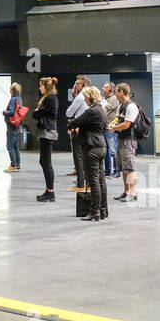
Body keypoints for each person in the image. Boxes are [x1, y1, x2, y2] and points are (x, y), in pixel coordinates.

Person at [67, 85, 108, 221]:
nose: (84, 100)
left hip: (91, 148)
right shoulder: (101, 110)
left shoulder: (91, 111)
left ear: (90, 98)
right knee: (101, 180)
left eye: (85, 98)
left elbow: (73, 122)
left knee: (93, 180)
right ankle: (103, 210)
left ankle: (94, 212)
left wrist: (76, 127)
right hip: (101, 146)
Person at [112, 82, 141, 203]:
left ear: (122, 92)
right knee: (124, 168)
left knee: (130, 167)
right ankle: (126, 191)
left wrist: (114, 128)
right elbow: (118, 119)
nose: (115, 94)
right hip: (121, 139)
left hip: (129, 140)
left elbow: (127, 124)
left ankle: (133, 193)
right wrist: (113, 123)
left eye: (116, 91)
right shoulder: (121, 106)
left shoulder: (131, 106)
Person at [33, 77, 59, 202]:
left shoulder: (50, 99)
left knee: (46, 162)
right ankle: (49, 191)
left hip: (47, 132)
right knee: (44, 161)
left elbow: (37, 114)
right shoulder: (51, 98)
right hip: (47, 132)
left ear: (46, 87)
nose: (39, 88)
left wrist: (37, 112)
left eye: (41, 86)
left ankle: (50, 191)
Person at [65, 75, 91, 190]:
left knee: (78, 158)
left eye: (78, 83)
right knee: (86, 158)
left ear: (84, 84)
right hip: (87, 130)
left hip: (79, 130)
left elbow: (69, 113)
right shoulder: (88, 96)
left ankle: (80, 184)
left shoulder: (80, 97)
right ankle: (88, 183)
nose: (75, 85)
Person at [2, 82, 25, 172]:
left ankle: (13, 164)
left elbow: (11, 112)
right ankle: (18, 164)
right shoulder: (20, 99)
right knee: (16, 145)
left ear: (12, 91)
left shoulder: (13, 100)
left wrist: (4, 112)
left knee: (9, 146)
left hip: (11, 125)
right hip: (17, 124)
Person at [101, 82, 121, 178]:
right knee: (106, 151)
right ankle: (108, 170)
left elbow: (103, 110)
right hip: (105, 128)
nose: (102, 89)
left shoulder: (114, 99)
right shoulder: (105, 99)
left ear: (110, 90)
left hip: (111, 129)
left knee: (113, 151)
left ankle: (117, 170)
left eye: (105, 87)